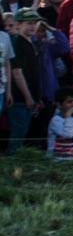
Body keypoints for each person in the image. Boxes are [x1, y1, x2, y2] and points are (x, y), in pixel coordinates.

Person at [1, 16, 36, 154]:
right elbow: (17, 71)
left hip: (2, 89)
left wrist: (8, 91)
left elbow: (6, 63)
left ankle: (13, 158)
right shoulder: (17, 42)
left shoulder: (3, 37)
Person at [46, 87, 73, 160]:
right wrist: (68, 115)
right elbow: (67, 135)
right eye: (69, 102)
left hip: (71, 159)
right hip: (55, 160)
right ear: (59, 104)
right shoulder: (55, 120)